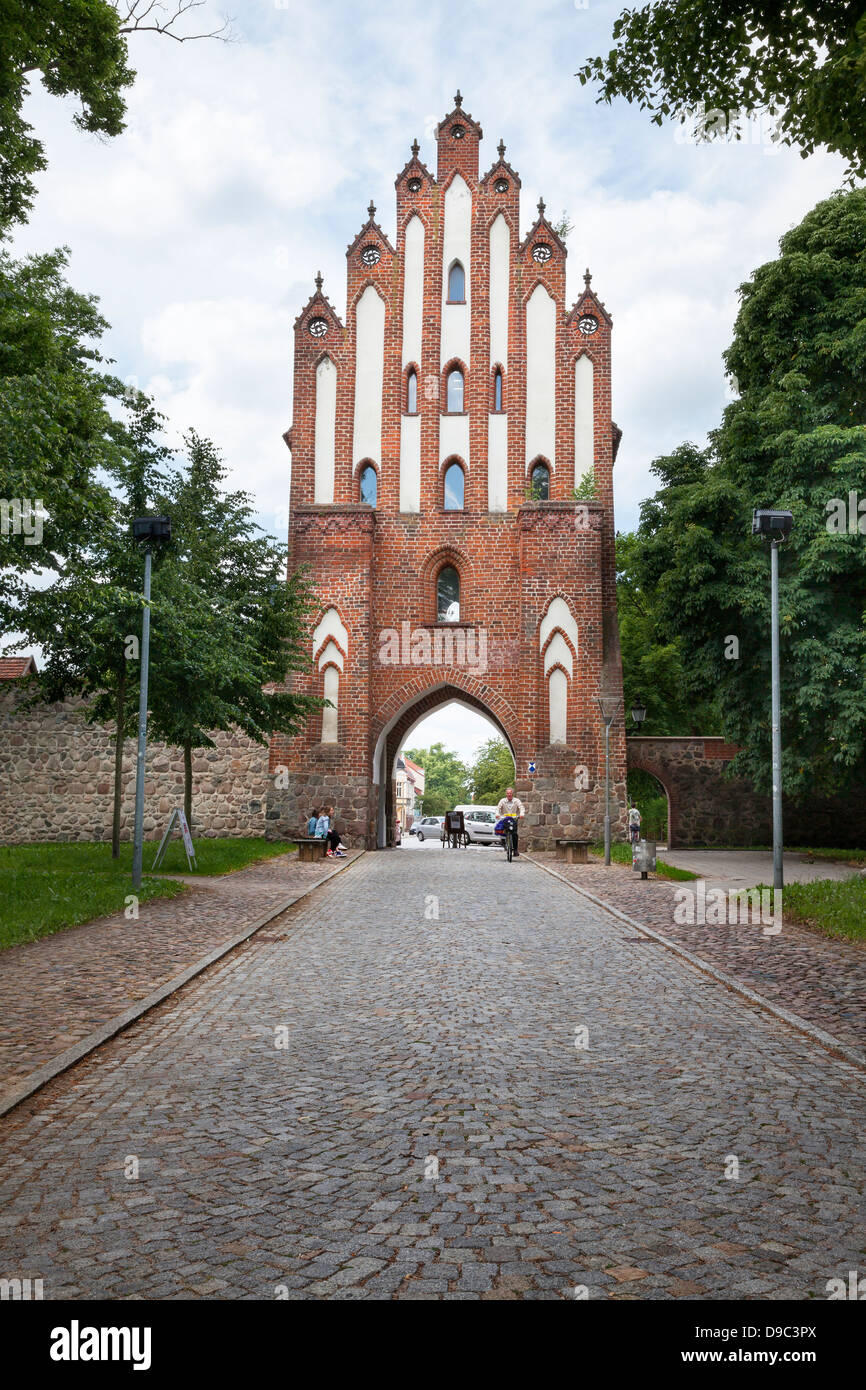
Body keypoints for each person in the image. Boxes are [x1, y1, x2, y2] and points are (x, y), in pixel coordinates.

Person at [496, 787, 525, 856]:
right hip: (505, 819)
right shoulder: (502, 801)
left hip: (514, 819)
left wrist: (521, 814)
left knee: (514, 833)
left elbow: (521, 807)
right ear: (506, 794)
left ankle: (515, 850)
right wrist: (497, 814)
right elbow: (498, 808)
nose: (509, 794)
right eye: (508, 793)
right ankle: (504, 843)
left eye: (510, 793)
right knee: (502, 830)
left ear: (513, 794)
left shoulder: (517, 801)